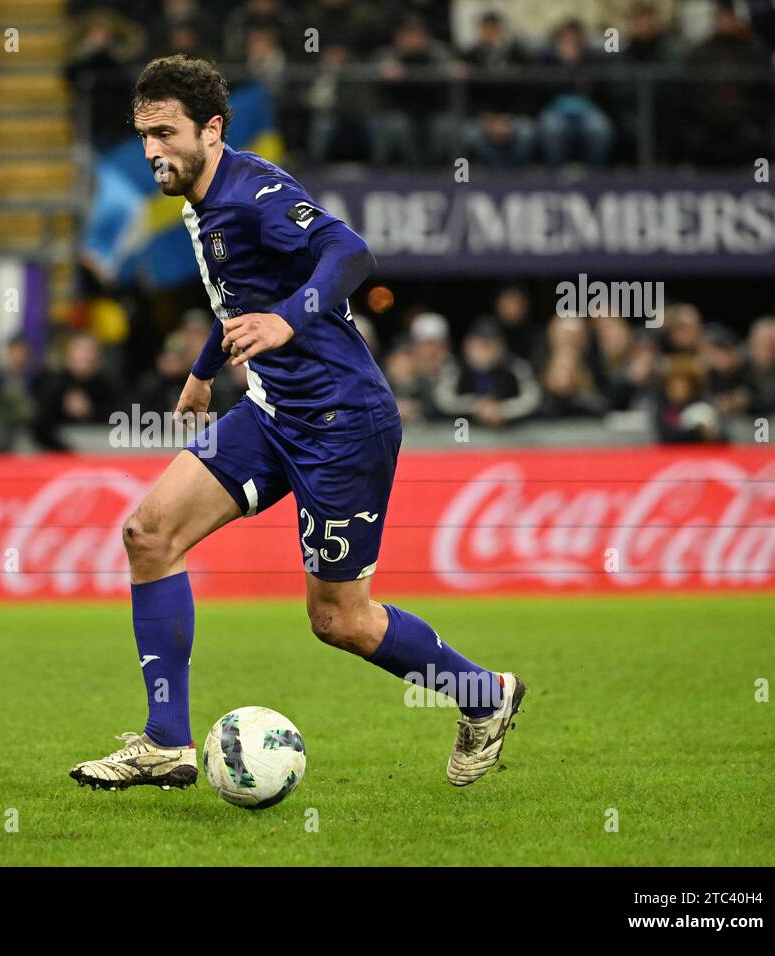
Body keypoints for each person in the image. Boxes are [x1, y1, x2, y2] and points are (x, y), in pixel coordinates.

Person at [69, 56, 525, 793]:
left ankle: (484, 694)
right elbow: (238, 298)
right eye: (142, 134)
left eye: (164, 132)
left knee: (339, 618)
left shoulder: (256, 192)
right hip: (272, 411)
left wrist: (288, 321)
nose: (151, 150)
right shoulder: (198, 199)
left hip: (344, 422)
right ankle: (166, 743)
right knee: (148, 535)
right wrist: (200, 370)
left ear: (212, 130)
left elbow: (351, 252)